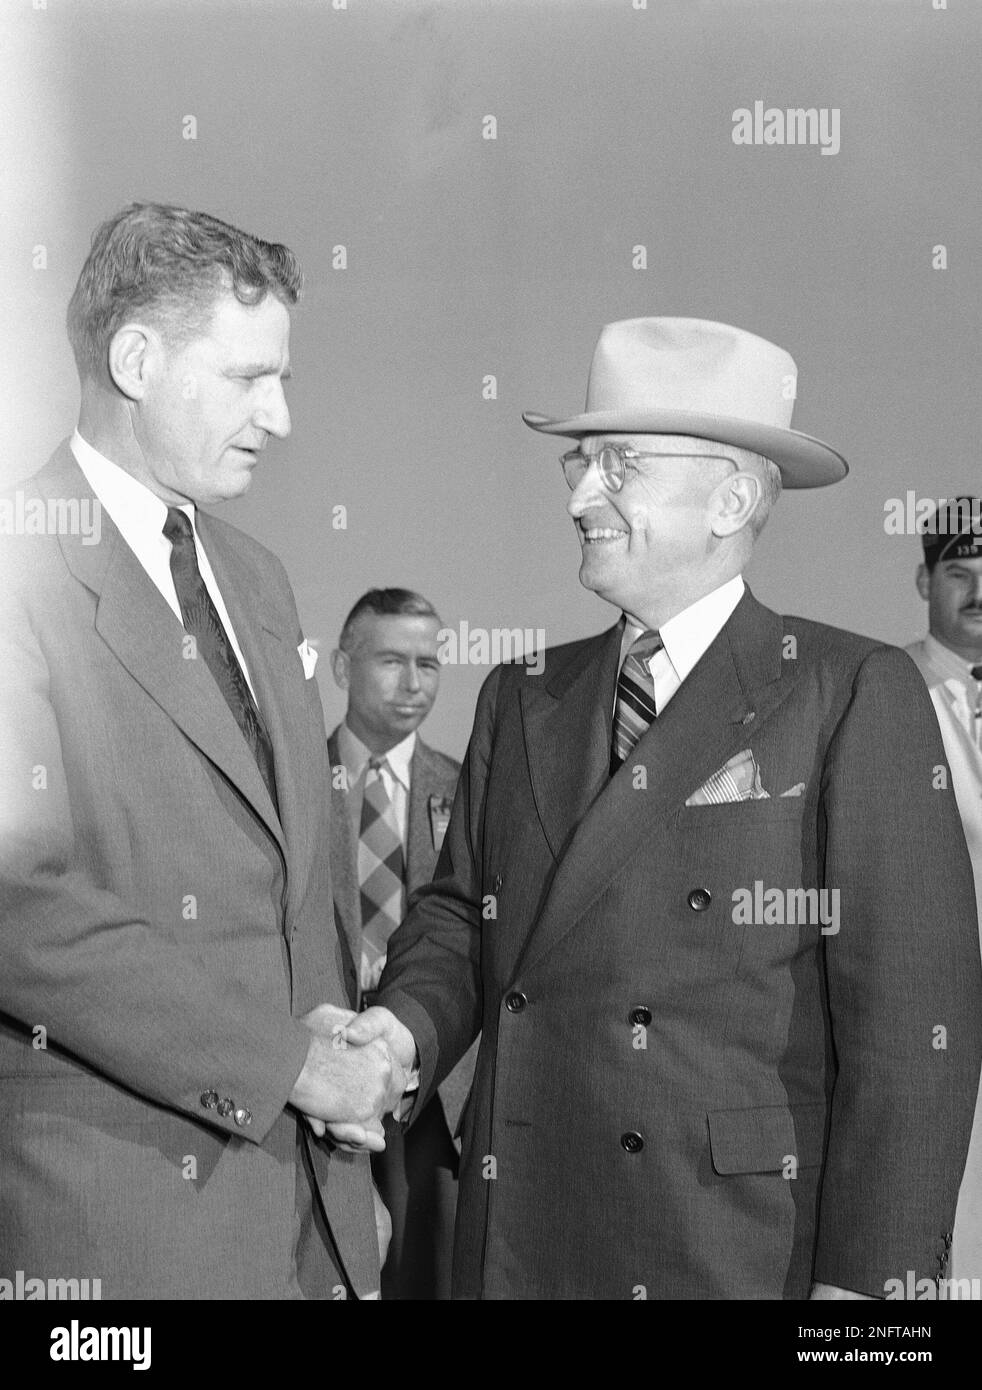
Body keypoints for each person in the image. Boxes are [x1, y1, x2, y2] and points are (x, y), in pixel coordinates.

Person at [344, 316, 982, 1299]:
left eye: (617, 463)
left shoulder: (846, 689)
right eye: (579, 462)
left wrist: (870, 1309)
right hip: (520, 1235)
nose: (578, 491)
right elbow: (457, 922)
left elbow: (912, 1029)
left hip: (733, 1249)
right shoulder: (521, 695)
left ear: (729, 498)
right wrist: (399, 1034)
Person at [0, 202, 403, 1300]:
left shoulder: (258, 575)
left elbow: (288, 883)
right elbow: (20, 904)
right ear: (135, 359)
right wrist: (298, 1066)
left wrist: (345, 1047)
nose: (279, 416)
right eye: (247, 379)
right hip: (115, 1229)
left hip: (304, 1218)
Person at [327, 588, 475, 1299]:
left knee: (433, 1279)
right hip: (322, 1076)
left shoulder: (472, 787)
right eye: (391, 660)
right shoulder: (284, 782)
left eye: (429, 662)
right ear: (341, 666)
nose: (414, 683)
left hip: (434, 1089)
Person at [906, 497, 982, 1296]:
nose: (978, 592)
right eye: (959, 572)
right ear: (923, 576)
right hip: (934, 1019)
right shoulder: (888, 690)